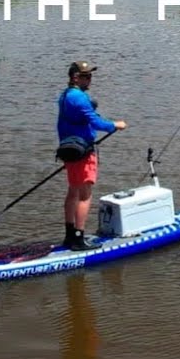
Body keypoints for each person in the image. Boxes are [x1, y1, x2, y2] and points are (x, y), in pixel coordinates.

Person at [56, 60, 126, 251]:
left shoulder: (65, 96)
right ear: (75, 77)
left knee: (73, 191)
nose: (90, 79)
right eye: (86, 76)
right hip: (82, 152)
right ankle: (79, 239)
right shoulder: (79, 98)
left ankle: (69, 236)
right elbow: (95, 122)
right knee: (85, 195)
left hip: (68, 151)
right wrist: (115, 125)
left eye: (90, 76)